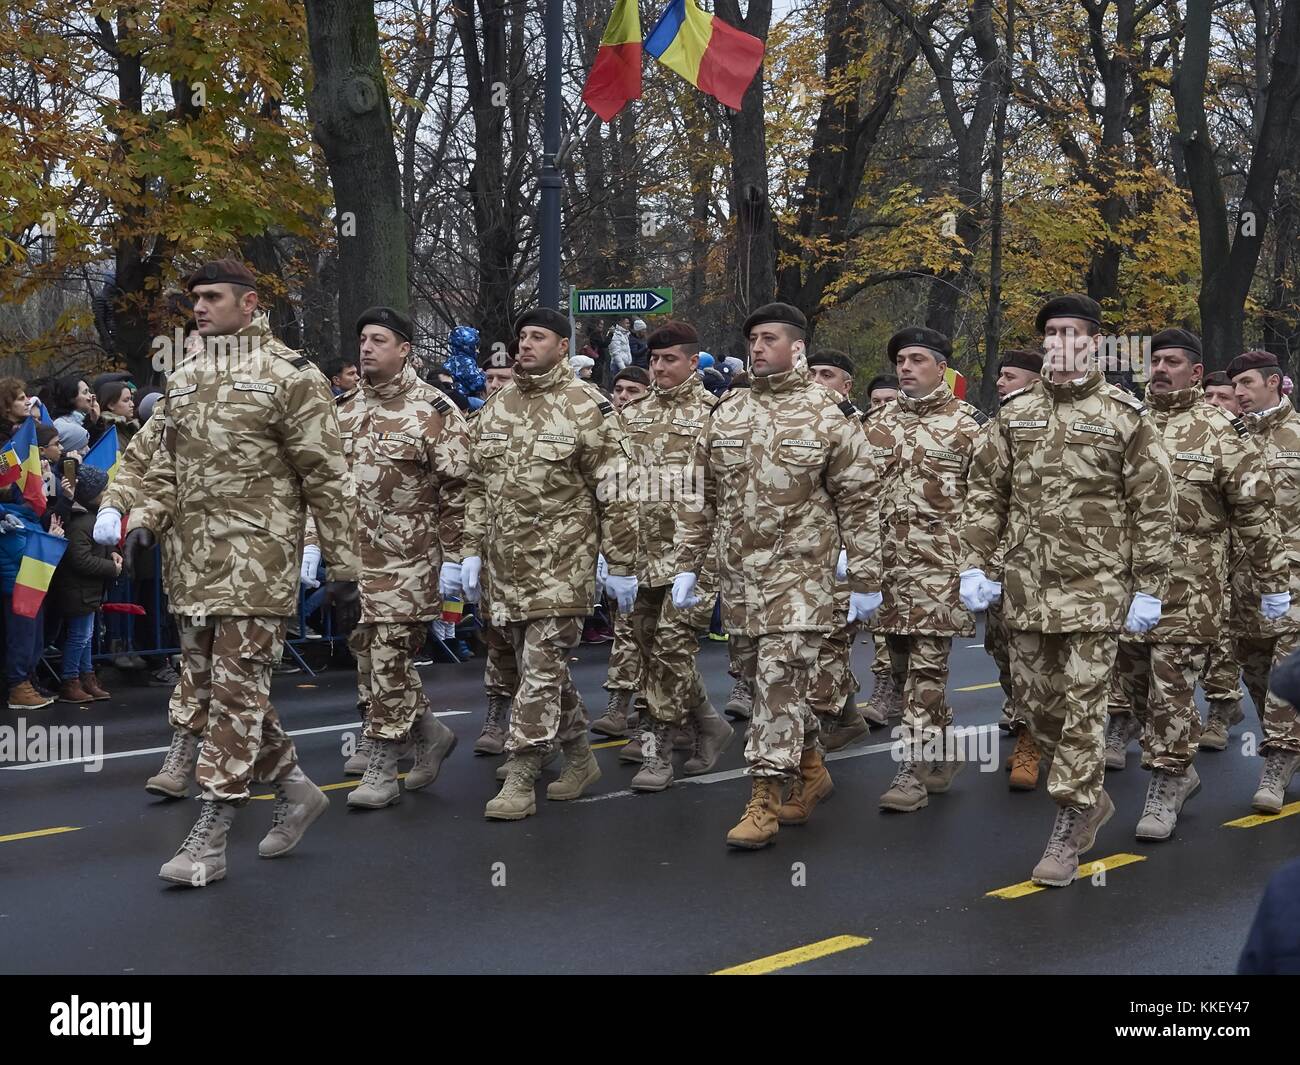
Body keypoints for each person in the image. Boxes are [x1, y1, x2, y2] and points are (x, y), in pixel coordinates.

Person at [110, 257, 360, 886]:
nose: (199, 307)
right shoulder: (185, 377)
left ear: (249, 303)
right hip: (192, 565)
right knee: (213, 691)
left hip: (258, 563)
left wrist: (343, 564)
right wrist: (144, 518)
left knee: (236, 693)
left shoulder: (291, 376)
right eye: (195, 297)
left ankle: (213, 832)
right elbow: (165, 466)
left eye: (213, 297)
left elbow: (327, 478)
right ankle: (296, 788)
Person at [961, 293, 1175, 887]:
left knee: (1083, 709)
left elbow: (1154, 506)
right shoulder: (1015, 413)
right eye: (1051, 332)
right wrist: (974, 564)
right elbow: (986, 492)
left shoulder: (1124, 415)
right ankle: (1087, 796)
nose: (1059, 342)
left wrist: (1150, 588)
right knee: (1037, 708)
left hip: (1097, 590)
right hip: (1026, 590)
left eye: (1071, 332)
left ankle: (1072, 820)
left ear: (1093, 342)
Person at [674, 302, 881, 849]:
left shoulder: (827, 414)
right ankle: (812, 768)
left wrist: (865, 576)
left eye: (770, 338)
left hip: (801, 579)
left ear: (798, 347)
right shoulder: (728, 411)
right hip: (740, 580)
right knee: (759, 679)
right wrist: (687, 565)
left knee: (776, 683)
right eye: (753, 339)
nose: (758, 347)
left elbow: (860, 500)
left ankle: (764, 800)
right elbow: (700, 495)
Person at [462, 306, 638, 821]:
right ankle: (580, 757)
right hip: (506, 568)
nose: (525, 344)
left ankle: (523, 771)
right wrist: (469, 549)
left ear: (563, 347)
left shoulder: (588, 407)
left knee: (539, 670)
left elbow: (618, 491)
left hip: (563, 566)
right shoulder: (498, 406)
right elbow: (477, 485)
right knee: (537, 671)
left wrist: (620, 563)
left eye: (538, 336)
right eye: (522, 336)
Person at [1110, 330, 1285, 838]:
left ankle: (1167, 782)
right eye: (1155, 361)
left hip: (1190, 588)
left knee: (1172, 689)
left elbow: (1253, 512)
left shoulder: (1220, 430)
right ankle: (1181, 771)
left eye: (1172, 362)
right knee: (1134, 687)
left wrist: (1274, 581)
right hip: (1126, 586)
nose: (1160, 369)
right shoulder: (1125, 423)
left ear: (1195, 371)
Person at [335, 306, 467, 809]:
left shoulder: (434, 409)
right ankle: (430, 732)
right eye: (363, 339)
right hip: (355, 560)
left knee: (390, 657)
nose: (367, 348)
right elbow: (323, 484)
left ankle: (384, 762)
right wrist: (314, 544)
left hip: (410, 559)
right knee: (367, 657)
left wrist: (456, 557)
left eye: (379, 340)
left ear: (405, 349)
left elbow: (459, 489)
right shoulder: (342, 409)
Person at [869, 328, 988, 812]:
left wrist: (980, 567)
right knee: (901, 672)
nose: (905, 367)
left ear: (941, 368)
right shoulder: (875, 425)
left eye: (917, 359)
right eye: (901, 359)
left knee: (926, 672)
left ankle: (911, 771)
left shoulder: (970, 426)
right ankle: (945, 748)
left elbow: (987, 501)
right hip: (886, 570)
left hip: (941, 571)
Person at [615, 319, 733, 790]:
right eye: (654, 359)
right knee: (649, 649)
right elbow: (616, 482)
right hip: (642, 554)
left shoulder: (717, 414)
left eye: (669, 359)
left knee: (670, 648)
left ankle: (657, 752)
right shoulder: (632, 413)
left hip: (695, 556)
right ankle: (708, 722)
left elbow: (726, 488)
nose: (659, 367)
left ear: (692, 362)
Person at [1226, 349, 1300, 813]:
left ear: (1274, 382)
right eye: (1234, 385)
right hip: (1242, 583)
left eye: (1247, 383)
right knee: (1256, 675)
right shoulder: (1229, 439)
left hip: (1294, 581)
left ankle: (1279, 760)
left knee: (1283, 675)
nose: (1238, 392)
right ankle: (1288, 741)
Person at [803, 349, 873, 753]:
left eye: (826, 374)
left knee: (828, 639)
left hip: (844, 555)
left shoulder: (858, 427)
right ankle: (846, 717)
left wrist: (857, 555)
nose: (816, 380)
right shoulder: (801, 423)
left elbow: (864, 498)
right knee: (808, 641)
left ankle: (816, 733)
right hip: (803, 554)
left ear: (846, 386)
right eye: (811, 372)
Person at [984, 350, 1045, 789]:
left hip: (1039, 563)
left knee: (1034, 657)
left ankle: (1032, 738)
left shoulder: (1049, 427)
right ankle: (1024, 716)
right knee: (1002, 651)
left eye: (1010, 375)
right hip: (996, 562)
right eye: (1000, 375)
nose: (1000, 382)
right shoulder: (997, 426)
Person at [589, 363, 652, 739]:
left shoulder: (654, 428)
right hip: (612, 544)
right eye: (620, 390)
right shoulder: (601, 427)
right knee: (626, 627)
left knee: (640, 630)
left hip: (654, 544)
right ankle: (642, 705)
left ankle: (625, 706)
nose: (624, 397)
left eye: (633, 391)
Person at [50, 465, 119, 703]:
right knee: (79, 637)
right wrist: (112, 568)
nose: (107, 493)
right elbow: (79, 559)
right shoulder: (81, 523)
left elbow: (102, 545)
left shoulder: (92, 518)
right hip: (78, 590)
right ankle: (70, 680)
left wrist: (114, 553)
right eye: (103, 489)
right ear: (91, 494)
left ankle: (86, 677)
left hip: (88, 590)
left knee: (86, 636)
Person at [860, 373, 903, 727]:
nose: (882, 407)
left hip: (914, 550)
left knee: (896, 629)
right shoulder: (862, 432)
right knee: (877, 623)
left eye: (889, 400)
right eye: (876, 401)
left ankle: (890, 691)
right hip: (869, 543)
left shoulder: (916, 432)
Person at [96, 379, 138, 446]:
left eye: (131, 399)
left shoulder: (128, 427)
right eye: (126, 400)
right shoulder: (108, 432)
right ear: (111, 405)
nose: (132, 404)